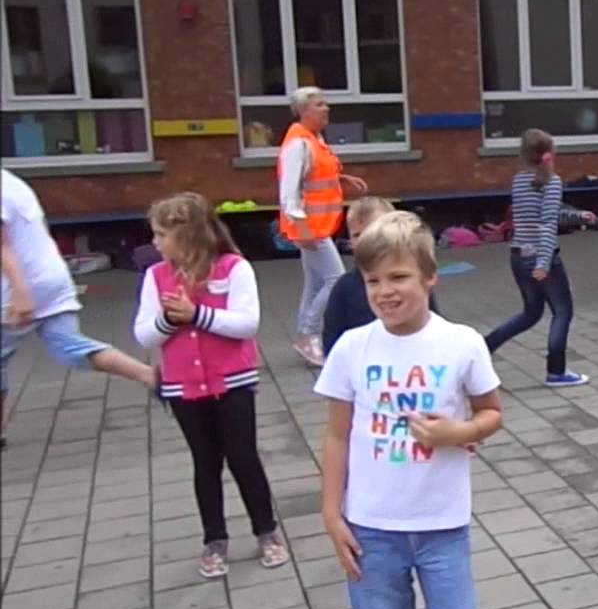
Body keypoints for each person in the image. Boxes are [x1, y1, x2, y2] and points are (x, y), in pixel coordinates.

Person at [317, 211, 502, 609]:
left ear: (429, 276)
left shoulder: (462, 343)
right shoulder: (351, 348)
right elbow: (337, 436)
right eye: (373, 281)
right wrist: (331, 514)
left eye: (398, 277)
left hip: (443, 525)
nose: (385, 291)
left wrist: (460, 431)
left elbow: (491, 412)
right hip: (371, 527)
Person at [133, 192, 288, 578]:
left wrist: (196, 314)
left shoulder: (234, 269)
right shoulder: (155, 277)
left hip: (232, 381)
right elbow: (143, 335)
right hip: (183, 386)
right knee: (205, 462)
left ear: (186, 235)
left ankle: (267, 532)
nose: (155, 243)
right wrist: (170, 319)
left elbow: (246, 323)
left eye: (160, 234)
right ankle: (214, 540)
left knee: (243, 456)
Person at [1, 169, 156, 449]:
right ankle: (149, 376)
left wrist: (20, 292)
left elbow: (2, 246)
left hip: (20, 284)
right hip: (50, 277)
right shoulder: (12, 182)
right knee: (69, 344)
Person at [484, 129, 594, 388]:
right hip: (541, 258)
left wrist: (579, 216)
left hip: (518, 255)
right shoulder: (552, 181)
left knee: (531, 313)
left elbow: (541, 217)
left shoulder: (519, 180)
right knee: (563, 312)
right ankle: (556, 372)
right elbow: (546, 224)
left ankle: (485, 346)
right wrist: (544, 263)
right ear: (550, 153)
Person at [277, 86, 367, 367]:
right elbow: (289, 191)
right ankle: (308, 334)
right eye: (319, 104)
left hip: (317, 226)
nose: (326, 108)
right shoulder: (298, 143)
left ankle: (307, 336)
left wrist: (343, 179)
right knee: (336, 279)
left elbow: (316, 176)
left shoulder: (313, 139)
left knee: (315, 282)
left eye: (325, 103)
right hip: (310, 228)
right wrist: (301, 229)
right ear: (303, 111)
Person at [322, 197, 441, 355]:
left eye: (374, 231)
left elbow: (433, 321)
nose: (366, 239)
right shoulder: (344, 287)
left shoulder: (415, 280)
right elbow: (332, 340)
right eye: (357, 235)